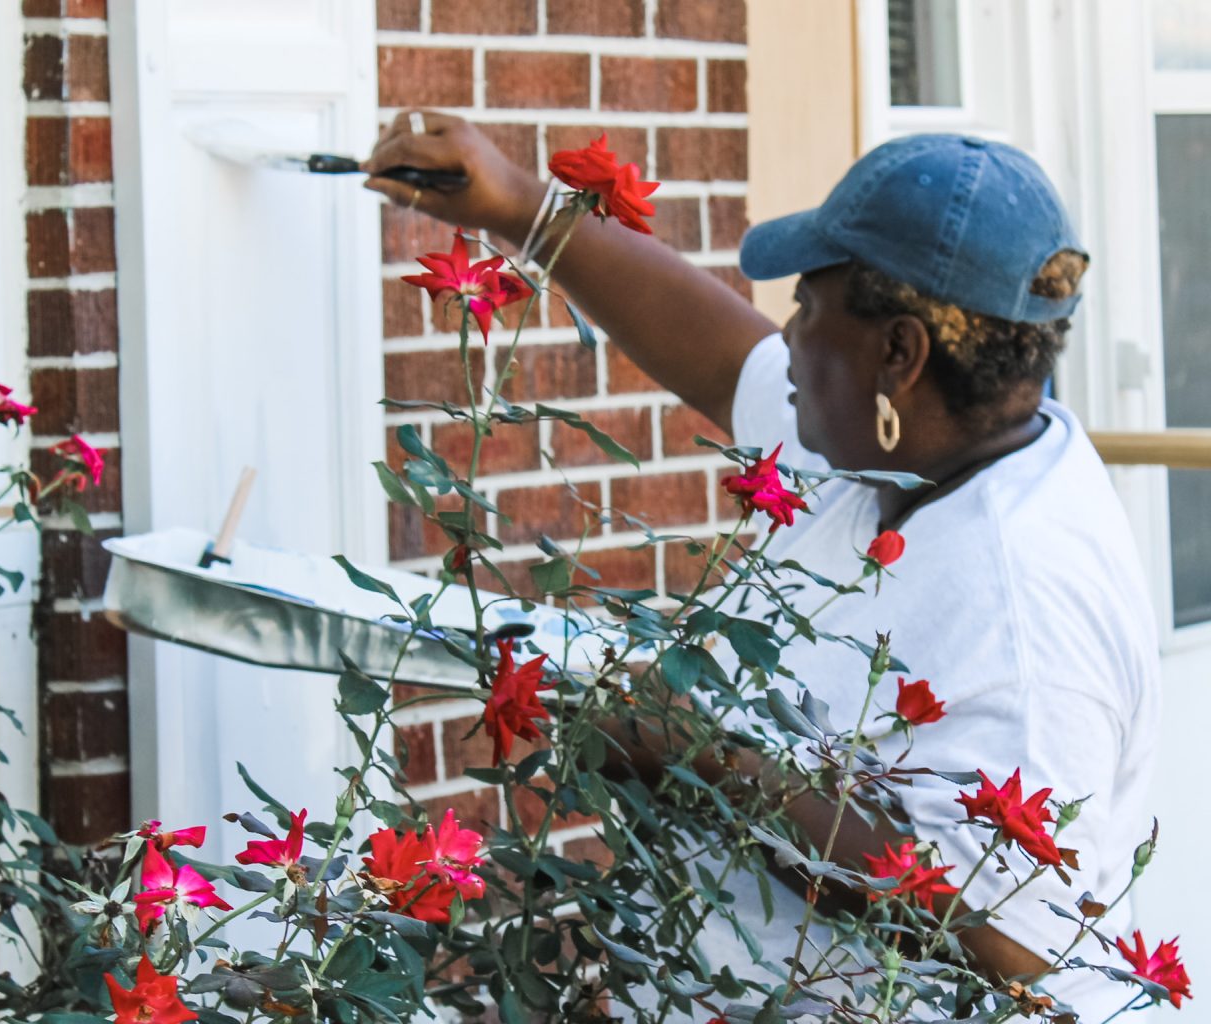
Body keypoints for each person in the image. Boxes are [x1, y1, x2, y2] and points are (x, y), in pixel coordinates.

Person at [364, 113, 1161, 1018]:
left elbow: (1017, 941)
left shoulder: (1028, 607)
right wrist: (516, 202)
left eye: (808, 308)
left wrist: (708, 764)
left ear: (899, 352)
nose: (785, 337)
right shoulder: (901, 442)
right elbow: (717, 349)